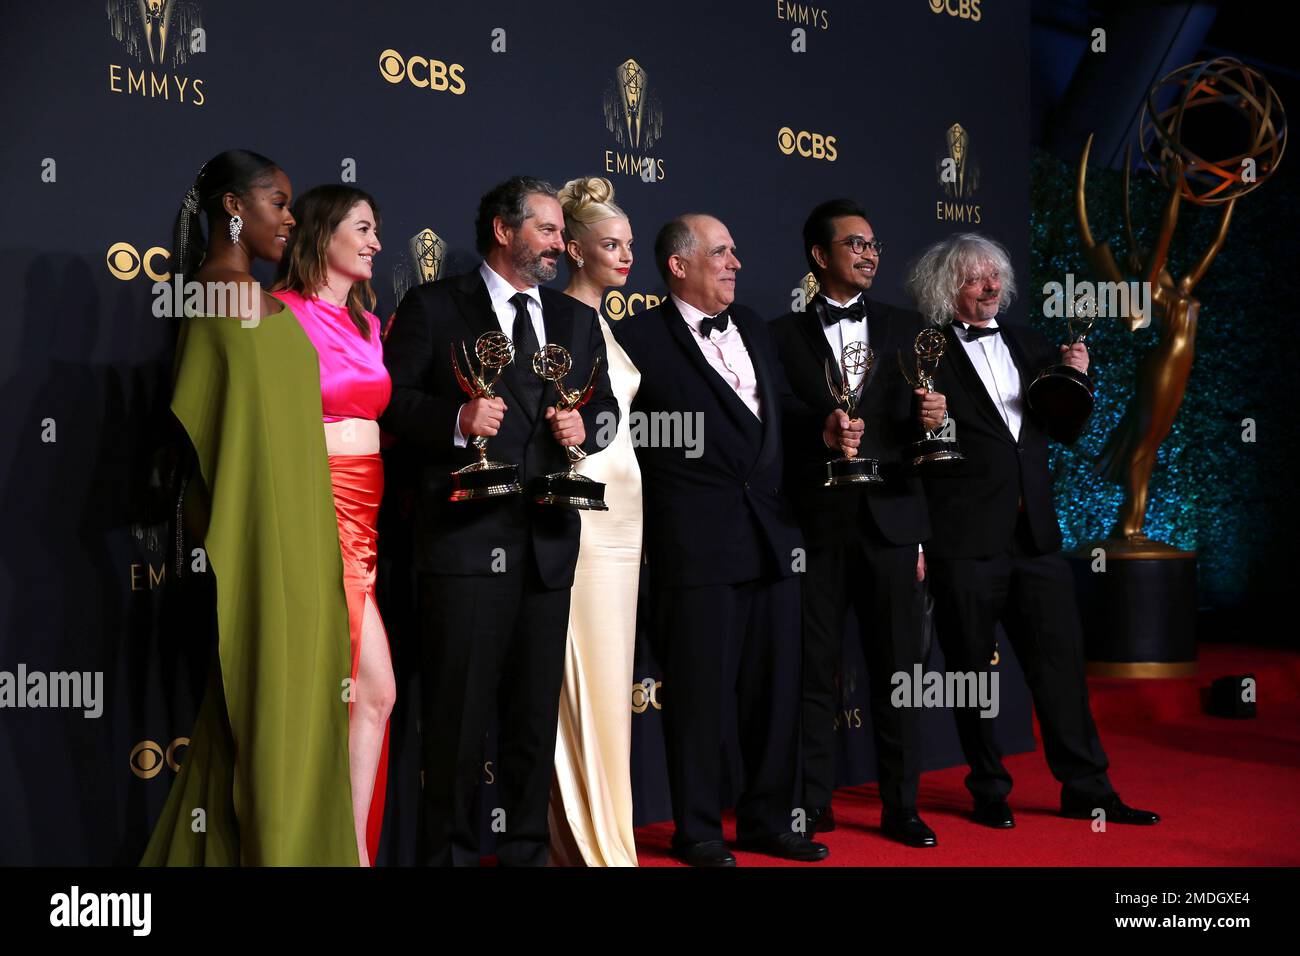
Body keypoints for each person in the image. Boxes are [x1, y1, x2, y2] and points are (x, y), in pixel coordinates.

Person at [380, 176, 616, 866]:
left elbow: (606, 409)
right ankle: (448, 858)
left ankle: (524, 852)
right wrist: (457, 420)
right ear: (504, 231)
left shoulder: (575, 318)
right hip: (464, 544)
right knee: (455, 722)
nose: (559, 245)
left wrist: (587, 427)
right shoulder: (434, 306)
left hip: (547, 545)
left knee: (532, 720)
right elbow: (393, 402)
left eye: (561, 233)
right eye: (546, 230)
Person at [142, 150, 359, 865]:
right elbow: (206, 432)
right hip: (257, 538)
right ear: (234, 207)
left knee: (291, 705)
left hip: (304, 534)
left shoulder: (262, 300)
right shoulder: (213, 298)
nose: (290, 219)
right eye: (278, 202)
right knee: (270, 705)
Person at [904, 232, 1160, 829]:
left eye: (995, 276)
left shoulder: (1032, 343)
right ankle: (989, 789)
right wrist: (917, 537)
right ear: (946, 288)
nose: (991, 287)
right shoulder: (923, 352)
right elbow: (908, 447)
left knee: (1061, 669)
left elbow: (1063, 430)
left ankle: (1088, 789)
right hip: (963, 541)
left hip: (1036, 539)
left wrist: (1077, 379)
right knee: (971, 675)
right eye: (975, 278)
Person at [611, 213, 827, 867]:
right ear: (678, 265)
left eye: (735, 251)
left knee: (775, 694)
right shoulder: (637, 338)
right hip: (694, 545)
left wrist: (824, 428)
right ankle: (698, 830)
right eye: (721, 252)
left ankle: (768, 821)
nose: (736, 263)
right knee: (699, 697)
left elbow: (780, 409)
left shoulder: (755, 326)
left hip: (774, 539)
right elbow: (620, 441)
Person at [771, 200, 936, 848]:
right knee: (813, 670)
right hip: (816, 525)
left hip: (891, 521)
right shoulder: (780, 336)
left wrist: (935, 418)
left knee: (899, 671)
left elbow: (926, 431)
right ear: (820, 256)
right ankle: (812, 802)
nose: (869, 254)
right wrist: (820, 427)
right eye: (854, 244)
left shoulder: (907, 327)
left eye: (873, 245)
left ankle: (902, 806)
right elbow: (775, 417)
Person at [271, 185, 395, 867]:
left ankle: (348, 852)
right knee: (360, 690)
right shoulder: (280, 313)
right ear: (323, 234)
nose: (377, 242)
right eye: (364, 228)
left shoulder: (369, 323)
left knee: (369, 695)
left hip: (366, 520)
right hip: (315, 511)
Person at [547, 176, 641, 867]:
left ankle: (610, 835)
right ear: (574, 250)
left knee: (612, 680)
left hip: (627, 515)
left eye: (630, 243)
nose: (626, 256)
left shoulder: (607, 324)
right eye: (611, 244)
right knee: (581, 674)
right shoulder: (552, 323)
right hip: (581, 504)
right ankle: (589, 844)